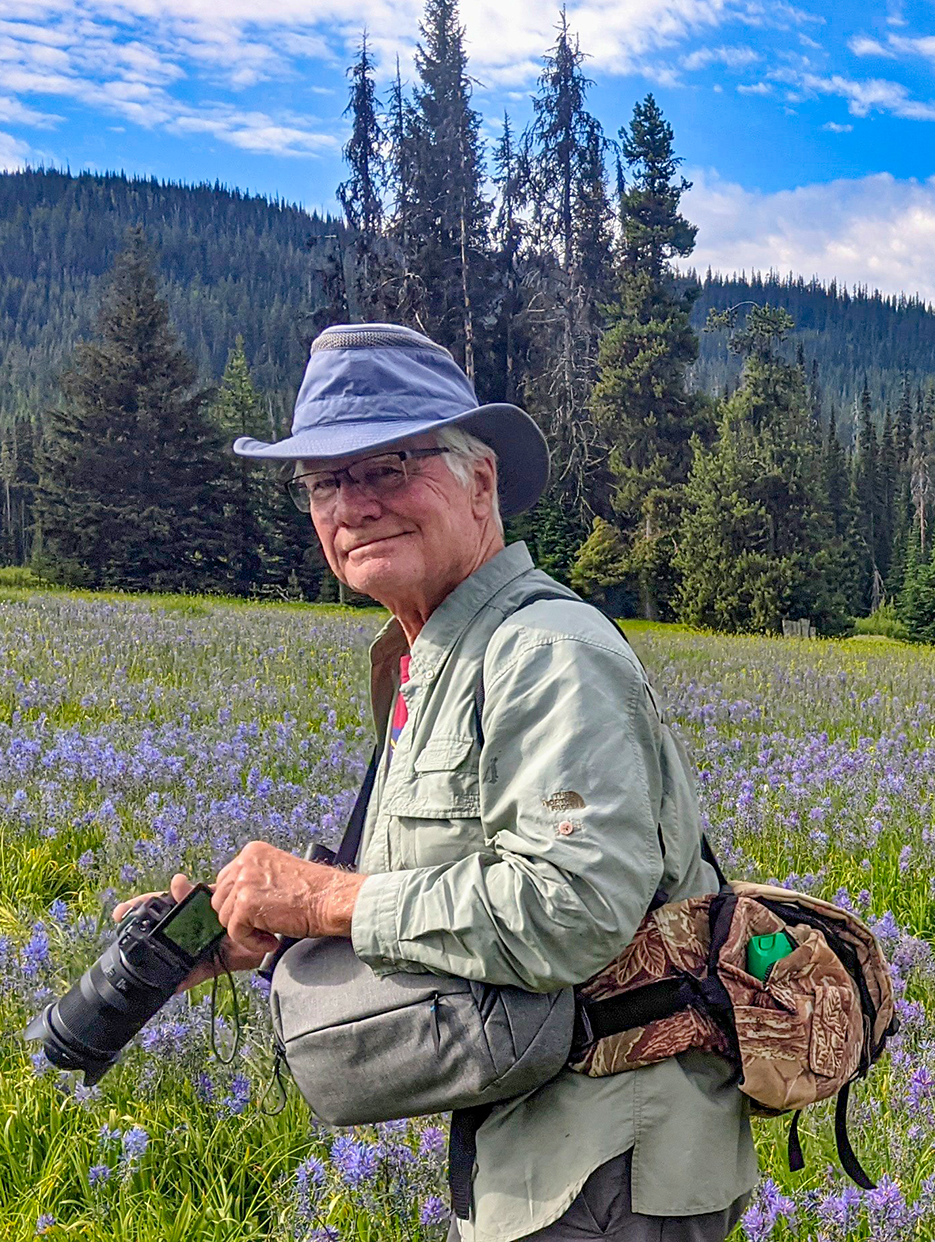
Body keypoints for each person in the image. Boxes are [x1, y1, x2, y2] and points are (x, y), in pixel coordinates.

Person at [115, 323, 756, 1241]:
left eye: (389, 466)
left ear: (480, 481)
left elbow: (567, 908)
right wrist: (261, 934)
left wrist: (326, 899)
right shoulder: (434, 657)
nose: (354, 503)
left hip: (608, 1164)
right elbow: (429, 903)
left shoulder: (544, 653)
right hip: (539, 1152)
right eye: (325, 482)